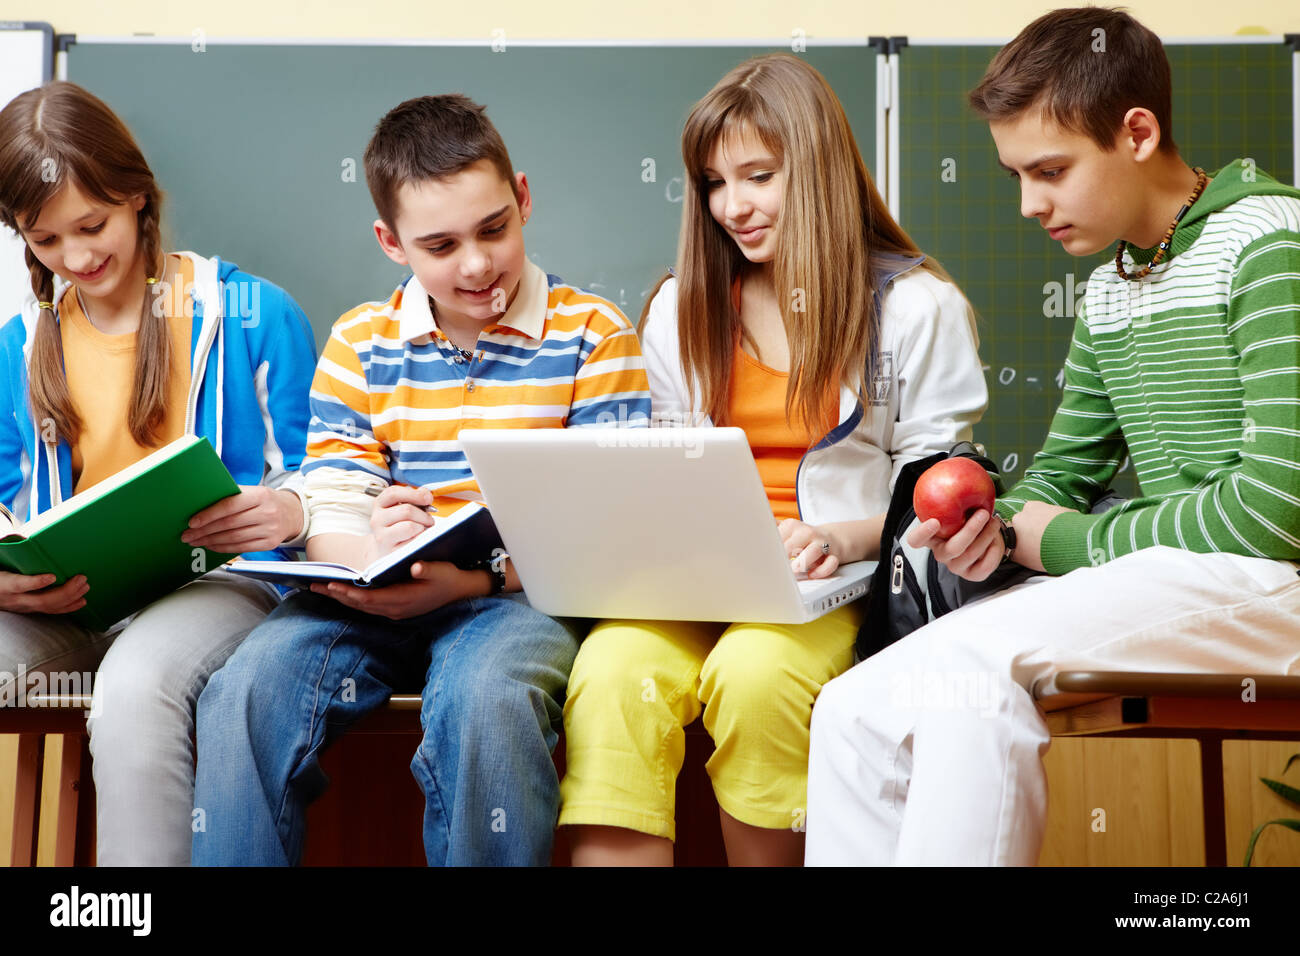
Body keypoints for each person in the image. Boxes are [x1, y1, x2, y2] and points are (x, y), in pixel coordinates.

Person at [806, 6, 1300, 866]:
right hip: (1181, 578)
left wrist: (1062, 540)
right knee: (852, 709)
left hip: (1270, 581)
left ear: (1136, 132)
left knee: (969, 679)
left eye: (1051, 171)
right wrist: (990, 535)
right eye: (1015, 177)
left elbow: (1275, 514)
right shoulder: (1111, 288)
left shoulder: (1270, 242)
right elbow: (1059, 480)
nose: (1031, 204)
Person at [190, 93, 651, 867]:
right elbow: (333, 488)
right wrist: (367, 543)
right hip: (369, 601)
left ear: (525, 198)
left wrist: (467, 583)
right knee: (243, 691)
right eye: (439, 245)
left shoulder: (594, 335)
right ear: (391, 243)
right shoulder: (361, 341)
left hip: (510, 603)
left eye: (494, 228)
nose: (475, 264)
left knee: (487, 702)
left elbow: (607, 533)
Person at [558, 53, 988, 866]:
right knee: (612, 668)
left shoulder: (914, 307)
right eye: (715, 184)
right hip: (697, 581)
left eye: (759, 175)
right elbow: (661, 474)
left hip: (828, 590)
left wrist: (843, 538)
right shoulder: (683, 308)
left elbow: (938, 497)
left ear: (819, 169)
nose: (733, 206)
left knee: (755, 675)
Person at [0, 81, 317, 865]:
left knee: (135, 690)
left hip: (221, 583)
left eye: (92, 224)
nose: (75, 258)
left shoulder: (255, 314)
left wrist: (288, 509)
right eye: (44, 241)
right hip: (70, 603)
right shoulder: (18, 347)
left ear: (137, 194)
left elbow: (333, 469)